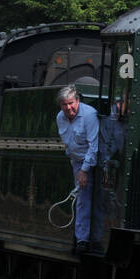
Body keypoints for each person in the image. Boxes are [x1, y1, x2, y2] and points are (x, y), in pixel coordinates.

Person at [55, 83, 100, 252]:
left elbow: (93, 146)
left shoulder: (89, 115)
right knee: (81, 198)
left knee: (84, 199)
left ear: (77, 101)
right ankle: (81, 236)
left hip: (89, 161)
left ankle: (83, 239)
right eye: (64, 105)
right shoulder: (60, 117)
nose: (68, 108)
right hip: (75, 161)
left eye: (71, 103)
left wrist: (84, 170)